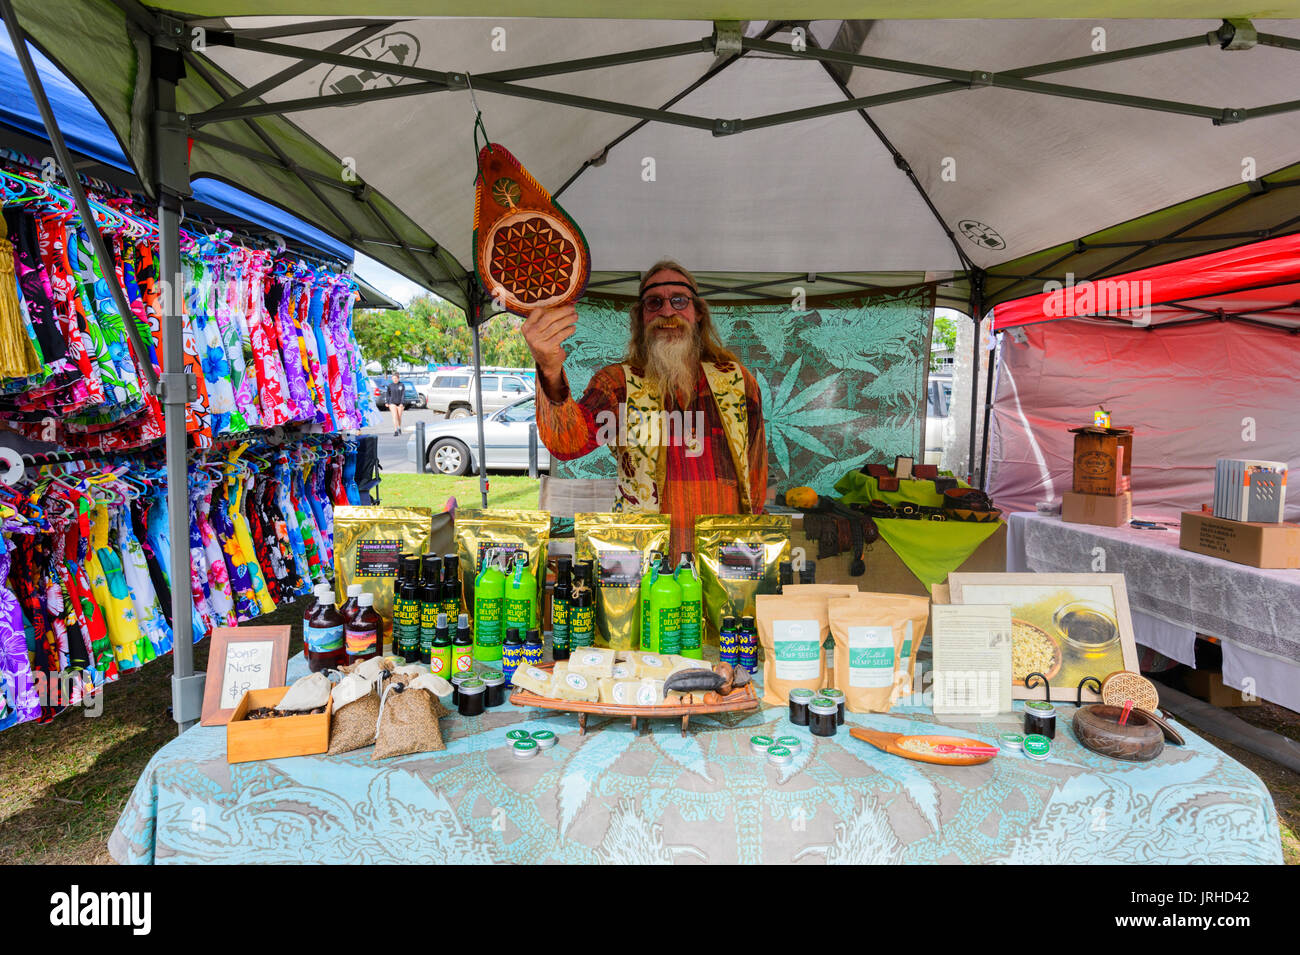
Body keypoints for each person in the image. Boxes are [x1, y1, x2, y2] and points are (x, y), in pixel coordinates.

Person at [524, 260, 767, 559]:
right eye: (654, 302)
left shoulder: (738, 381)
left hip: (724, 556)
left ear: (698, 313)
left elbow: (755, 474)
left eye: (679, 300)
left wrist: (753, 543)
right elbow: (567, 443)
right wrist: (549, 371)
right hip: (643, 560)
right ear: (641, 318)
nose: (667, 311)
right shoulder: (617, 384)